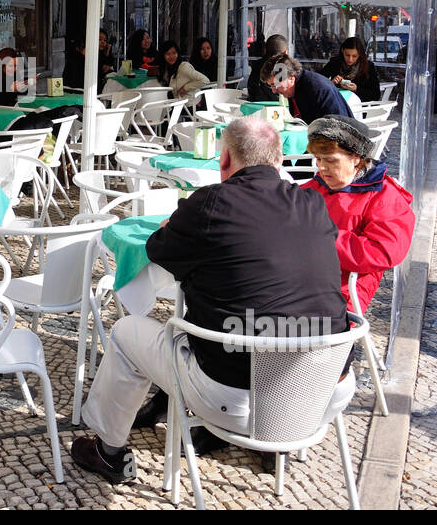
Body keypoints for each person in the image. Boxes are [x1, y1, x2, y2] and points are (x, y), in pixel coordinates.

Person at [72, 118, 352, 481]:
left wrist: (172, 227)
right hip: (323, 392)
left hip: (232, 398)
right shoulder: (314, 203)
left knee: (127, 331)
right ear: (280, 161)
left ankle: (109, 453)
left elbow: (159, 250)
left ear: (224, 161)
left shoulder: (210, 203)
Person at [301, 116, 414, 313]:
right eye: (318, 159)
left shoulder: (384, 196)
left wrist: (319, 239)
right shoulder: (314, 188)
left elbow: (383, 252)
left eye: (331, 161)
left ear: (356, 158)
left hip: (341, 291)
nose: (321, 167)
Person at [260, 53, 354, 123]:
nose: (273, 90)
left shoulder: (315, 88)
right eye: (271, 85)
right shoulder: (295, 86)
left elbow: (338, 127)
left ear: (291, 78)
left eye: (275, 85)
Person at [321, 36, 381, 103]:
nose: (350, 59)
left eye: (354, 56)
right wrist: (330, 83)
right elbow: (318, 81)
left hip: (359, 107)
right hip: (336, 103)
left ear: (359, 54)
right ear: (342, 51)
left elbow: (376, 94)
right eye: (347, 55)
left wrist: (356, 89)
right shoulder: (335, 63)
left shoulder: (368, 67)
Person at [245, 33, 287, 102]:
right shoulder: (283, 68)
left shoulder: (256, 66)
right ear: (285, 52)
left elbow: (251, 92)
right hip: (276, 110)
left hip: (254, 109)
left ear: (265, 50)